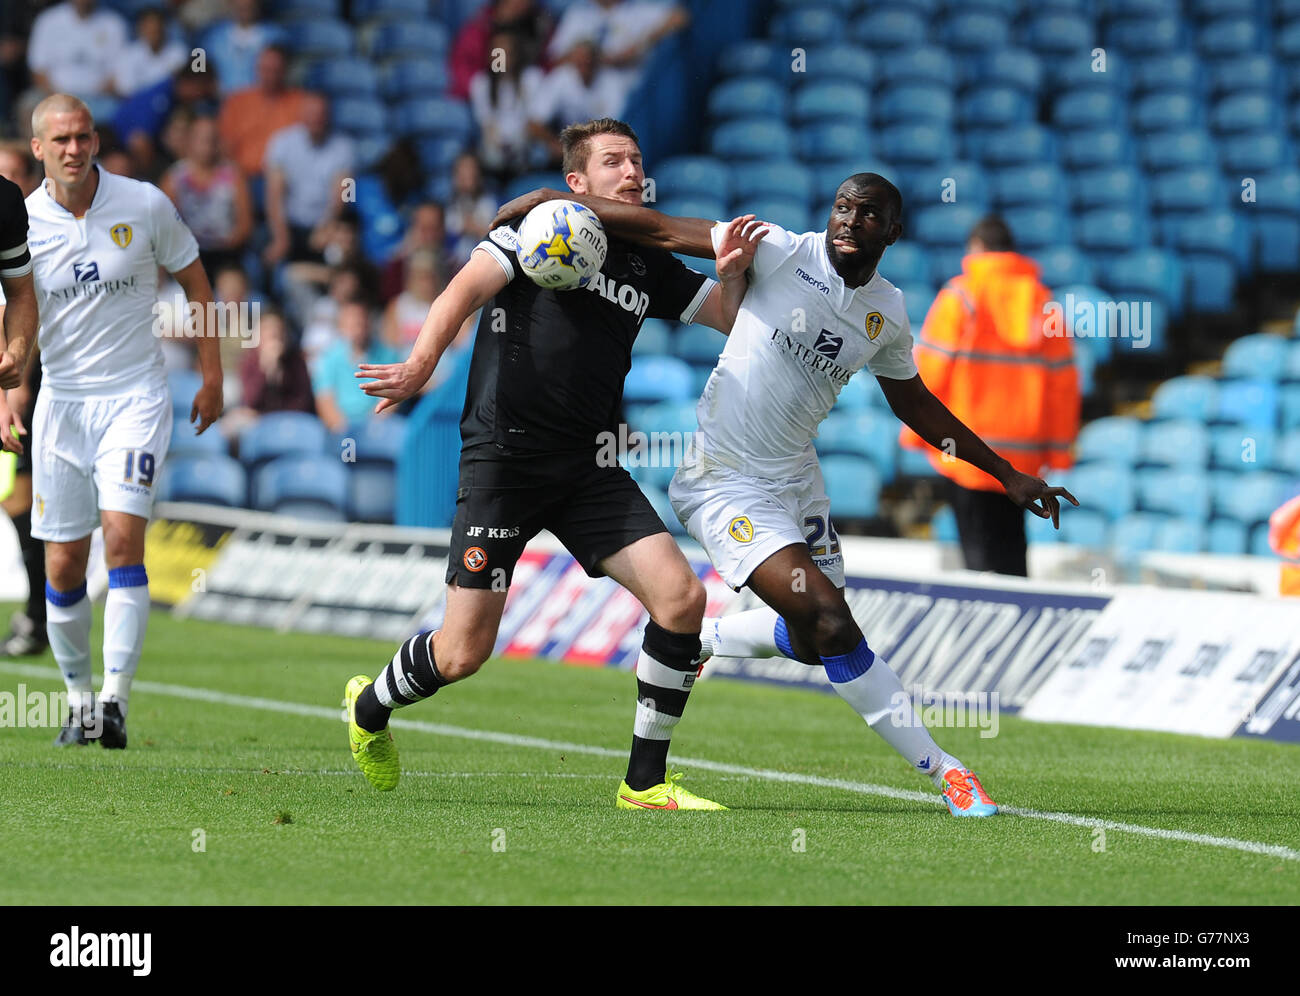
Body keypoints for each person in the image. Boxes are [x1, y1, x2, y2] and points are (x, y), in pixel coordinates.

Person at [494, 172, 1078, 817]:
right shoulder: (778, 251)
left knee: (810, 639)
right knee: (832, 621)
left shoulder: (886, 310)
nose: (850, 222)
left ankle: (700, 638)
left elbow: (915, 403)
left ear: (893, 230)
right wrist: (561, 202)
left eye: (868, 214)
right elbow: (659, 228)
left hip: (797, 482)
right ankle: (949, 773)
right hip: (726, 482)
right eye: (842, 208)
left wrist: (1008, 474)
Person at [348, 118, 759, 809]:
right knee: (461, 655)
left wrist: (735, 273)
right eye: (612, 163)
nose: (631, 172)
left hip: (589, 465)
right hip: (504, 461)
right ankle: (368, 711)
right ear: (578, 182)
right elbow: (463, 290)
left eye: (635, 159)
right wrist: (421, 364)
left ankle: (645, 784)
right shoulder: (541, 226)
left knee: (682, 599)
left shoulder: (645, 259)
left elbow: (728, 316)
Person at [17, 94, 222, 748]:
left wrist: (212, 374)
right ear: (38, 149)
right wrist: (9, 392)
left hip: (134, 397)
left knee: (123, 540)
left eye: (83, 137)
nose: (74, 149)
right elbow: (13, 311)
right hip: (62, 405)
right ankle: (78, 698)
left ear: (96, 139)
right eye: (61, 140)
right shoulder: (19, 223)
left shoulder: (144, 203)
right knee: (63, 567)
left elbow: (197, 282)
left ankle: (114, 702)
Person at [900, 215, 1080, 576]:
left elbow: (928, 372)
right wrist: (1059, 455)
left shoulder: (961, 296)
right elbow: (1064, 386)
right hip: (1024, 461)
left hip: (968, 452)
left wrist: (915, 435)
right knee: (1013, 559)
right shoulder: (1045, 303)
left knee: (980, 566)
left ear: (977, 249)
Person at [0, 161, 42, 657]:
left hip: (35, 381)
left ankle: (39, 614)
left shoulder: (12, 209)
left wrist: (17, 371)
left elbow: (19, 298)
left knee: (21, 500)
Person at [161, 113, 255, 279]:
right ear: (189, 141)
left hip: (226, 254)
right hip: (188, 255)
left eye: (212, 138)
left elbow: (245, 225)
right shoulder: (174, 178)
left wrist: (225, 245)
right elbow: (164, 225)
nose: (207, 143)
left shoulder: (233, 176)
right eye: (201, 138)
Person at [312, 300, 400, 432]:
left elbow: (392, 396)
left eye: (361, 323)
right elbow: (325, 401)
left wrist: (372, 428)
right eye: (352, 325)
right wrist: (343, 430)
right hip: (342, 429)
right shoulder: (328, 358)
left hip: (378, 427)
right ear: (341, 327)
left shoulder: (388, 355)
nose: (358, 330)